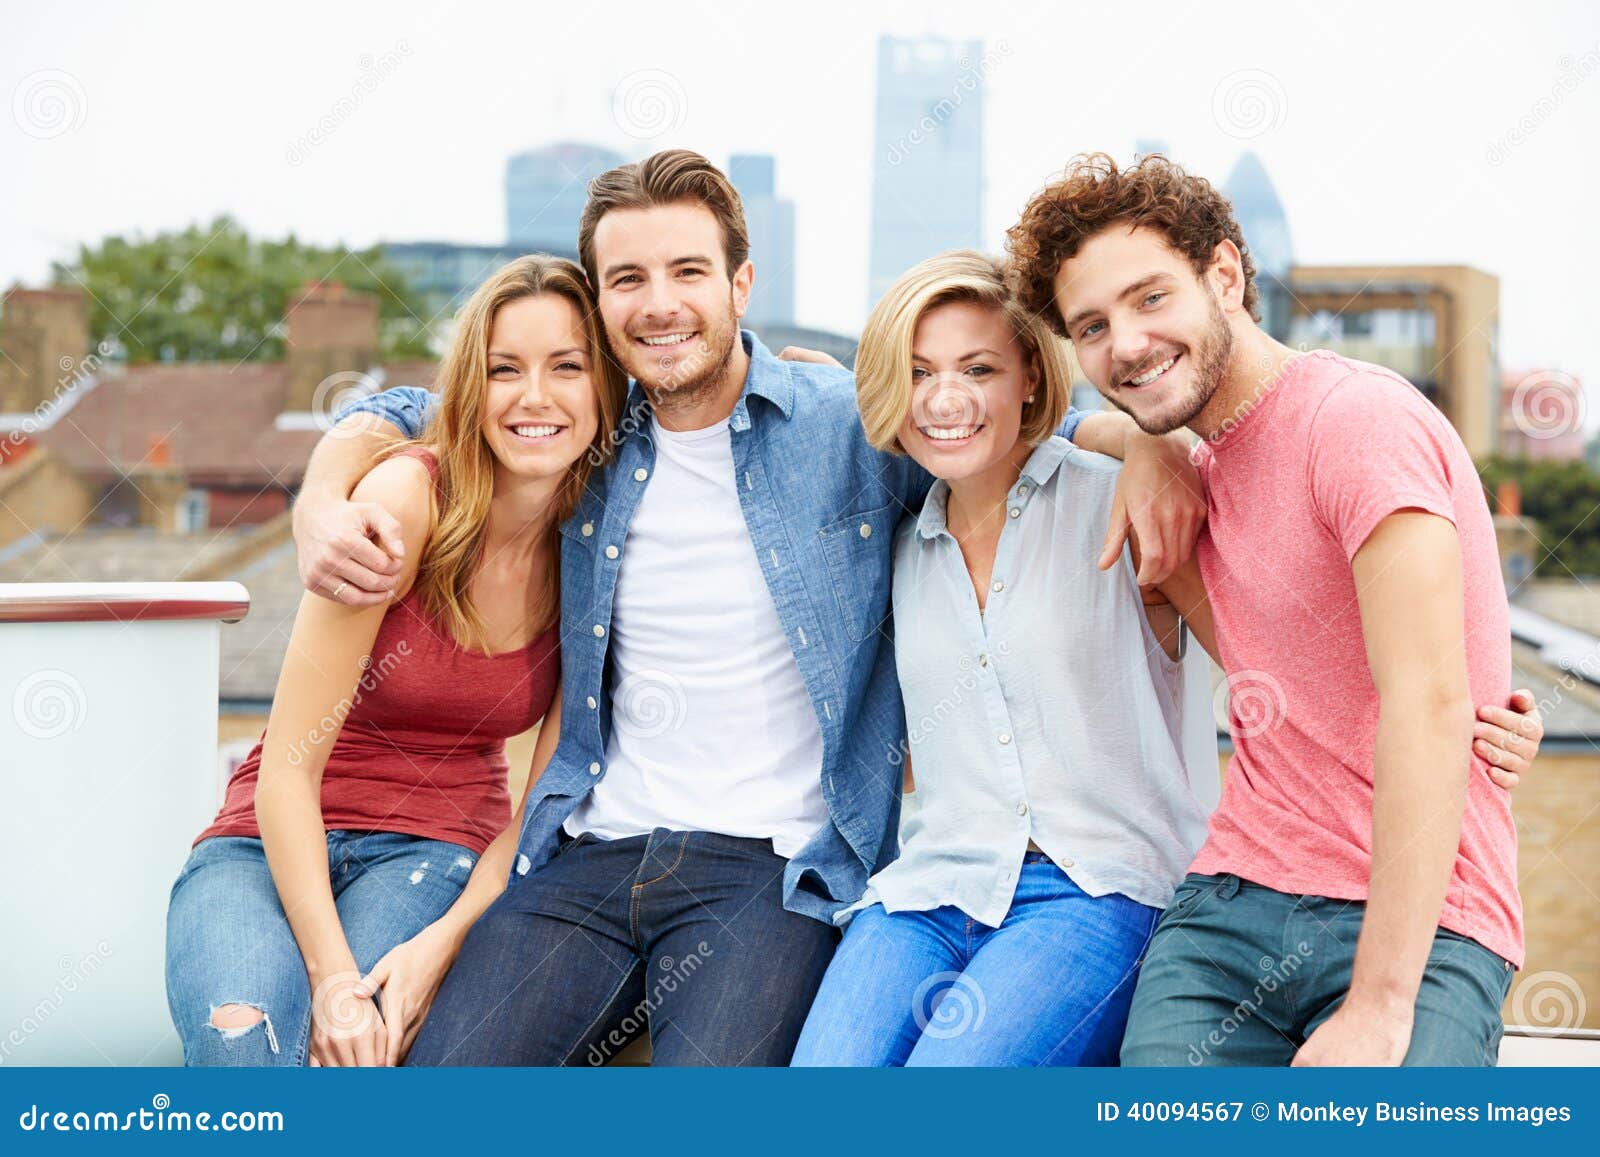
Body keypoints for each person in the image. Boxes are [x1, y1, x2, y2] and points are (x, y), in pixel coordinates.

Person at [288, 149, 1208, 1066]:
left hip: (771, 870)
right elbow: (423, 406)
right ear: (600, 303)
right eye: (628, 279)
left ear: (741, 283)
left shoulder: (848, 423)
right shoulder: (580, 430)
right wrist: (321, 493)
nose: (659, 303)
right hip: (588, 852)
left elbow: (995, 418)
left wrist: (1144, 440)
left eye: (688, 271)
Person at [790, 252, 1543, 1067]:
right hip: (933, 885)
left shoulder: (1121, 500)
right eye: (916, 371)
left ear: (1033, 381)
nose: (945, 396)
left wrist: (1478, 710)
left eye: (979, 367)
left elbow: (1289, 656)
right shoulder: (899, 545)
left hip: (1095, 888)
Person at [1007, 152, 1539, 1065]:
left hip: (1422, 919)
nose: (1125, 343)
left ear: (1224, 275)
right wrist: (1141, 444)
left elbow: (1431, 704)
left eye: (1150, 299)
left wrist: (1377, 1005)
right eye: (1091, 326)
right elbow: (1019, 423)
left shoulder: (1356, 423)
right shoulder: (1187, 466)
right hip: (1230, 906)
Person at [164, 255, 625, 1066]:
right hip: (263, 842)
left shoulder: (597, 551)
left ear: (605, 390)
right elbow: (287, 771)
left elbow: (541, 805)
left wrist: (445, 942)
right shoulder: (405, 501)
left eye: (567, 367)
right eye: (504, 370)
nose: (536, 397)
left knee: (357, 1057)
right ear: (469, 389)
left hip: (434, 850)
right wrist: (332, 977)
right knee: (241, 1045)